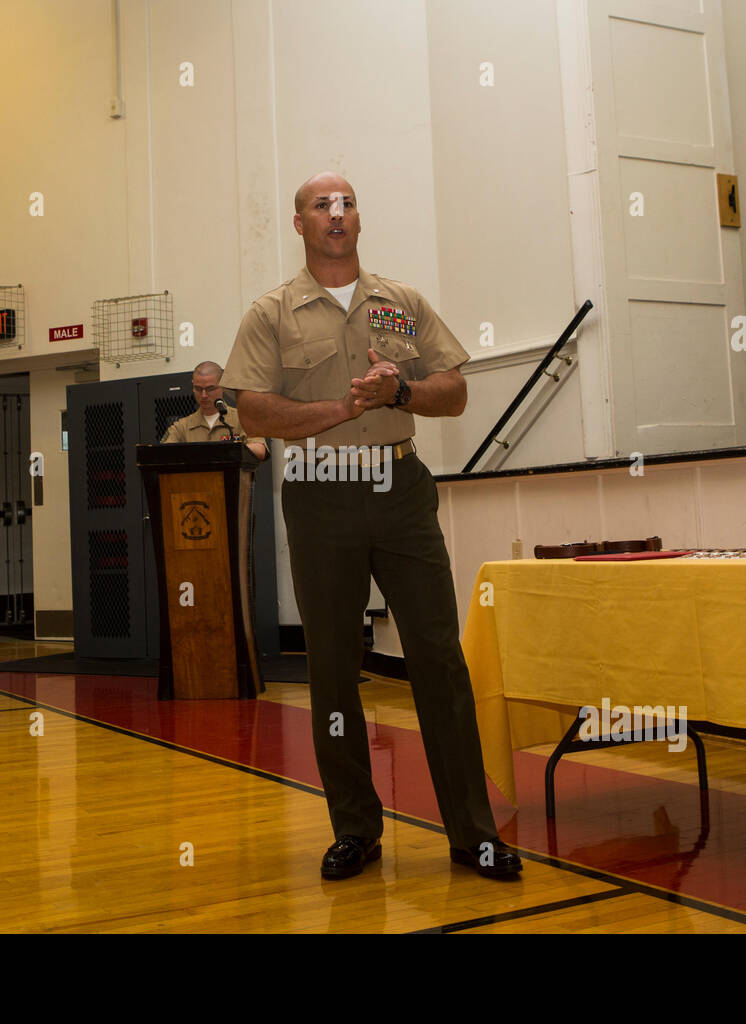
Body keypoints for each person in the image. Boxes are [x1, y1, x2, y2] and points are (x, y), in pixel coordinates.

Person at [221, 172, 522, 881]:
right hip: (321, 492)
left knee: (440, 662)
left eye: (348, 203)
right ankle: (355, 829)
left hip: (399, 486)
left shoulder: (401, 303)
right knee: (331, 669)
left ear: (359, 222)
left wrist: (402, 391)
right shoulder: (272, 313)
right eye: (322, 205)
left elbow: (453, 393)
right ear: (299, 225)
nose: (337, 213)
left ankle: (473, 833)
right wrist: (341, 410)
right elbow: (255, 413)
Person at [160, 361, 267, 460]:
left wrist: (225, 451)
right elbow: (161, 453)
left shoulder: (243, 419)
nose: (204, 395)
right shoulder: (182, 427)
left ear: (222, 386)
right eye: (198, 389)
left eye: (210, 389)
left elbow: (260, 450)